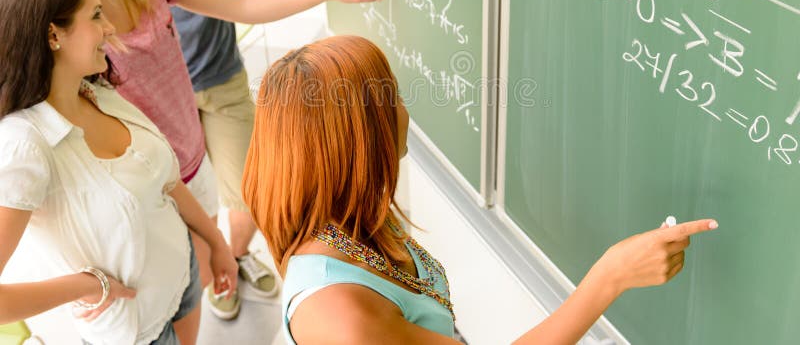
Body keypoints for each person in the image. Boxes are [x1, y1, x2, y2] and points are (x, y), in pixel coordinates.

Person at [22, 0, 390, 319]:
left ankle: (224, 264)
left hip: (190, 168)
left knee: (196, 281)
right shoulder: (57, 29)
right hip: (141, 198)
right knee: (165, 304)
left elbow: (238, 3)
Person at [241, 35, 719, 345]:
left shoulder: (349, 219)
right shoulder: (340, 319)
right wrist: (610, 277)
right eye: (395, 98)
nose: (407, 110)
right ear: (358, 142)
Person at [77, 0, 314, 316]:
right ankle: (212, 269)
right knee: (189, 207)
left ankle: (234, 257)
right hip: (153, 104)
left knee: (248, 189)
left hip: (220, 73)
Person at [0, 0, 238, 345]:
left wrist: (216, 242)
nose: (109, 28)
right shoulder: (24, 145)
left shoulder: (96, 90)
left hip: (183, 277)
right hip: (135, 330)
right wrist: (86, 286)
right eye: (95, 16)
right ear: (53, 35)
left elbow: (166, 181)